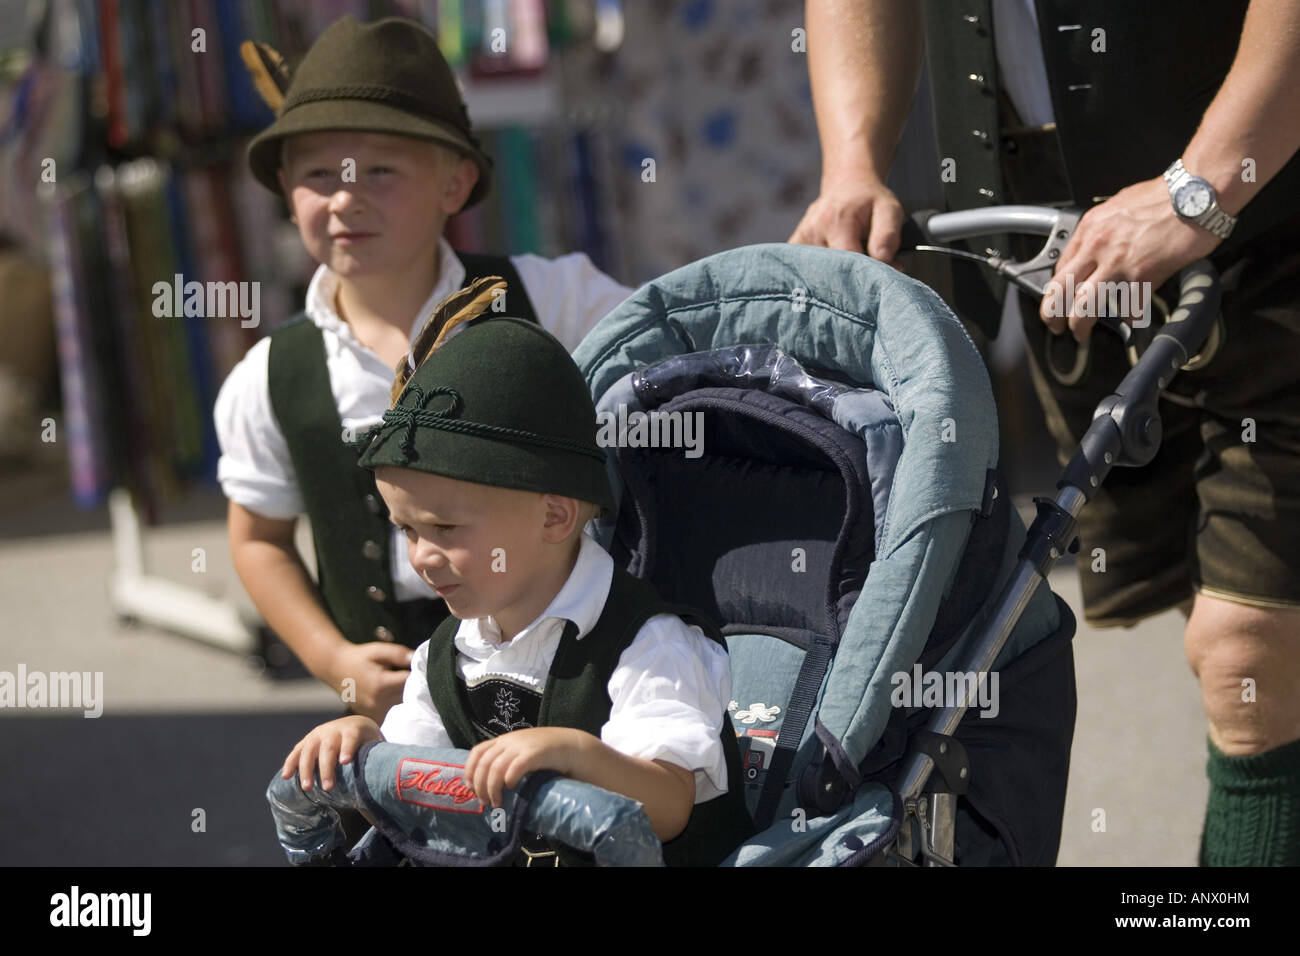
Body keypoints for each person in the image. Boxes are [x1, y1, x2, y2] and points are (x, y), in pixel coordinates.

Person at [789, 0, 1300, 866]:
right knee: (1240, 655)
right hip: (1077, 259)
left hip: (1264, 215)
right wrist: (853, 165)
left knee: (1246, 652)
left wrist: (1201, 187)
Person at [214, 16, 631, 724]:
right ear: (286, 190)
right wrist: (330, 660)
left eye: (380, 170)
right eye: (319, 173)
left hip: (579, 674)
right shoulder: (270, 377)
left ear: (454, 182)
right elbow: (258, 539)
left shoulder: (556, 300)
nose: (346, 197)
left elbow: (677, 363)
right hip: (397, 707)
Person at [279, 314, 755, 866]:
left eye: (445, 529)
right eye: (406, 530)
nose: (421, 558)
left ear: (554, 517)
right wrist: (367, 750)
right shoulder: (446, 655)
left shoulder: (651, 645)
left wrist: (576, 753)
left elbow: (669, 805)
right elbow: (414, 804)